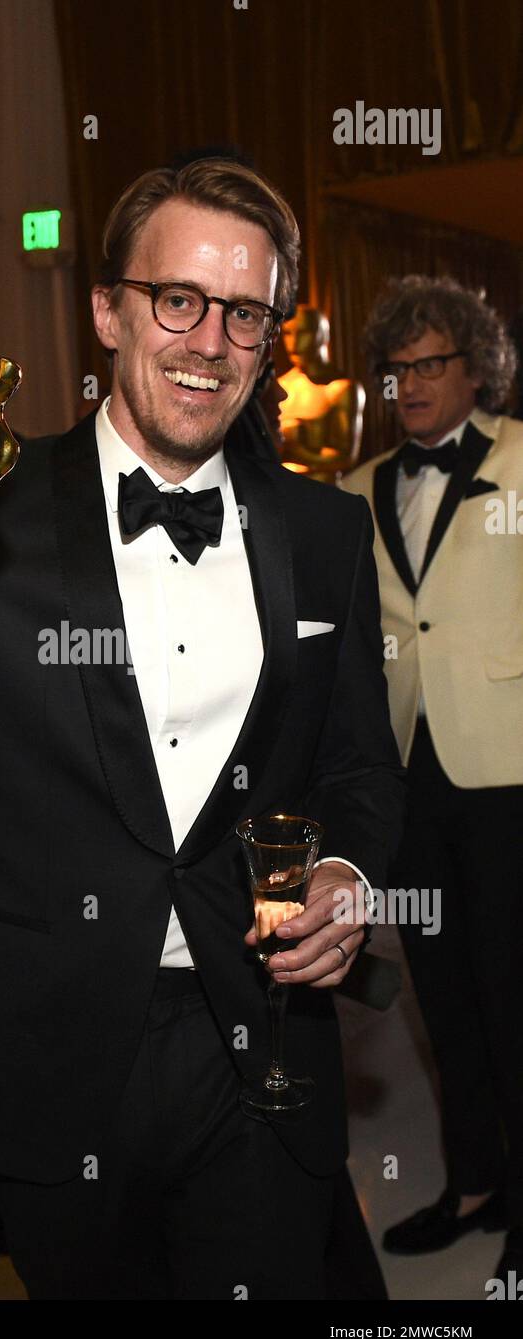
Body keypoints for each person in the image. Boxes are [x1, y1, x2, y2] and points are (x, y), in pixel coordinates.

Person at [0, 158, 405, 1299]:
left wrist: (344, 873)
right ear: (107, 311)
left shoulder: (326, 530)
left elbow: (360, 767)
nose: (209, 339)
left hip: (260, 1042)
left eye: (245, 312)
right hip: (47, 1048)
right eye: (177, 299)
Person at [342, 275, 522, 1282]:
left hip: (509, 771)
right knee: (443, 998)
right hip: (410, 776)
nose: (408, 383)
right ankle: (475, 1182)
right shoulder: (356, 487)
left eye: (429, 363)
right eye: (395, 367)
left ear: (476, 366)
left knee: (512, 994)